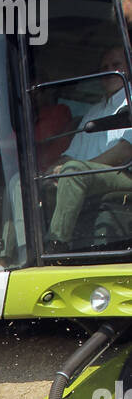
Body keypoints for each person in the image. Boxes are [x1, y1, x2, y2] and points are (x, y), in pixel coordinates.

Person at [46, 44, 132, 249]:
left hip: (125, 174)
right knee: (25, 182)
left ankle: (57, 244)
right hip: (90, 175)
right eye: (104, 68)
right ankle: (15, 252)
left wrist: (75, 170)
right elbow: (71, 154)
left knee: (72, 172)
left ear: (128, 68)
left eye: (116, 65)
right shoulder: (93, 111)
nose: (109, 71)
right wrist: (54, 169)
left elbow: (126, 150)